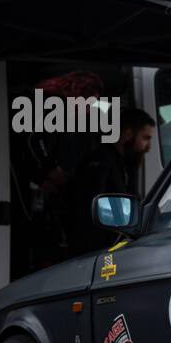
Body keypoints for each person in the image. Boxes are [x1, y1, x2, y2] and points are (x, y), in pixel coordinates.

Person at [65, 107, 156, 255]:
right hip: (96, 251)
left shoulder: (124, 164)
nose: (148, 147)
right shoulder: (100, 162)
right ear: (128, 134)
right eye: (145, 138)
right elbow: (90, 211)